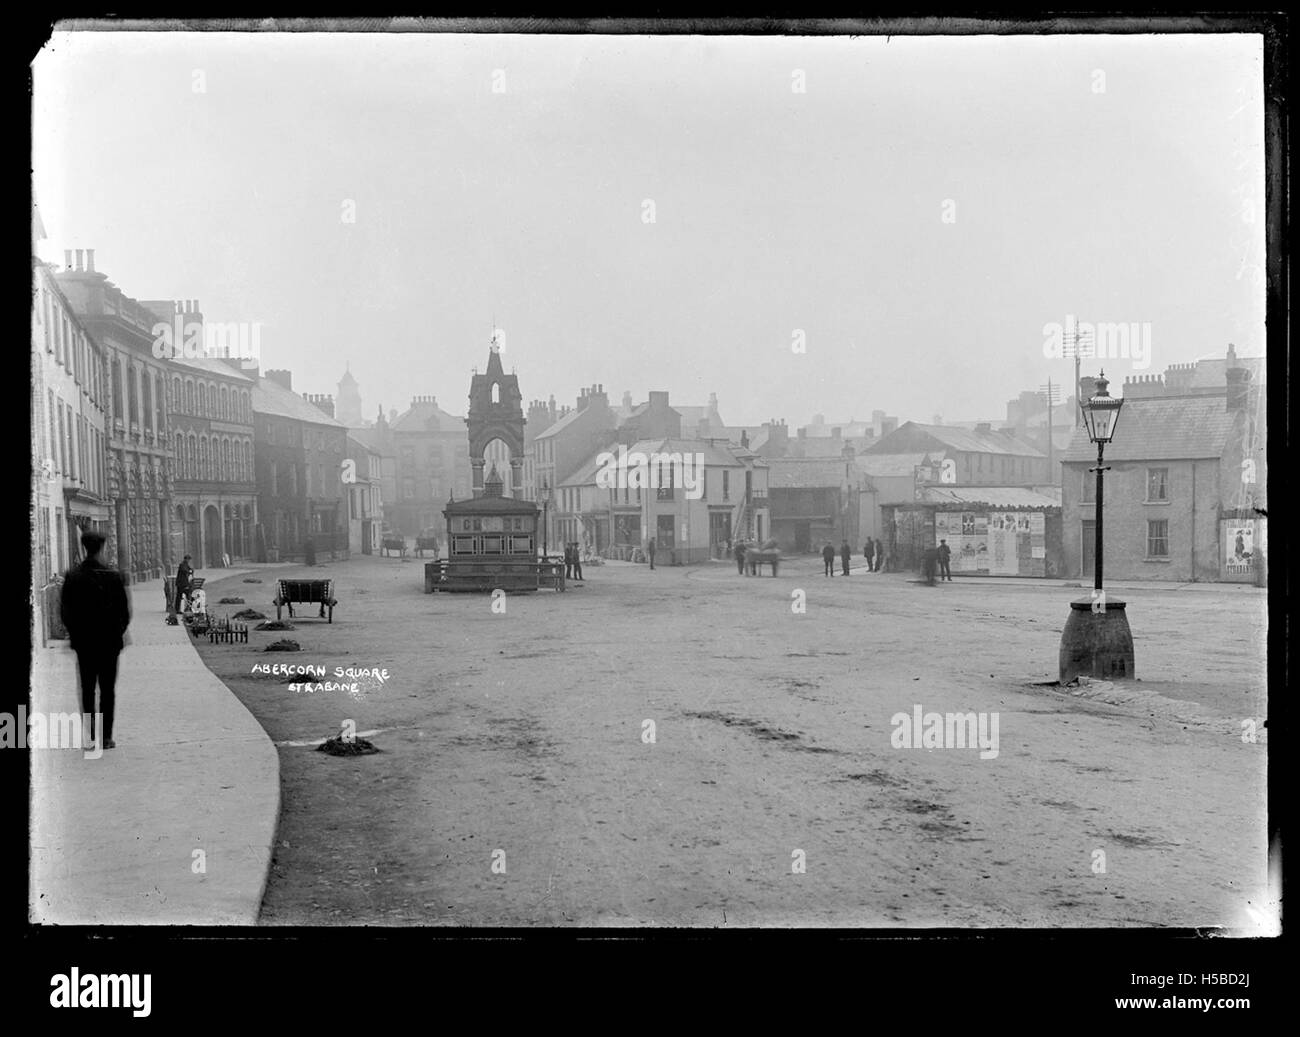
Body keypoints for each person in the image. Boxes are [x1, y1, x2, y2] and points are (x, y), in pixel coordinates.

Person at [59, 530, 131, 750]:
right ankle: (106, 737)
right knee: (107, 690)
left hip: (85, 644)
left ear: (84, 548)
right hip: (109, 643)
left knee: (87, 689)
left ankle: (90, 738)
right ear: (101, 548)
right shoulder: (113, 576)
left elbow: (65, 611)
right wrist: (117, 631)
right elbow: (124, 613)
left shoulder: (73, 576)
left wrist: (76, 633)